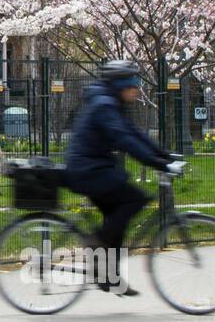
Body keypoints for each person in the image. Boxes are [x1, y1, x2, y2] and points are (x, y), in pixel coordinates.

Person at [63, 60, 185, 297]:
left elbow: (134, 133)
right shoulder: (104, 105)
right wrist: (158, 163)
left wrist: (164, 155)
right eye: (133, 85)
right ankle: (95, 246)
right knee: (133, 200)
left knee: (117, 220)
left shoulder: (112, 103)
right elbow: (124, 139)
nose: (137, 90)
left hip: (96, 168)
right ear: (121, 85)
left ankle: (109, 276)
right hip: (88, 170)